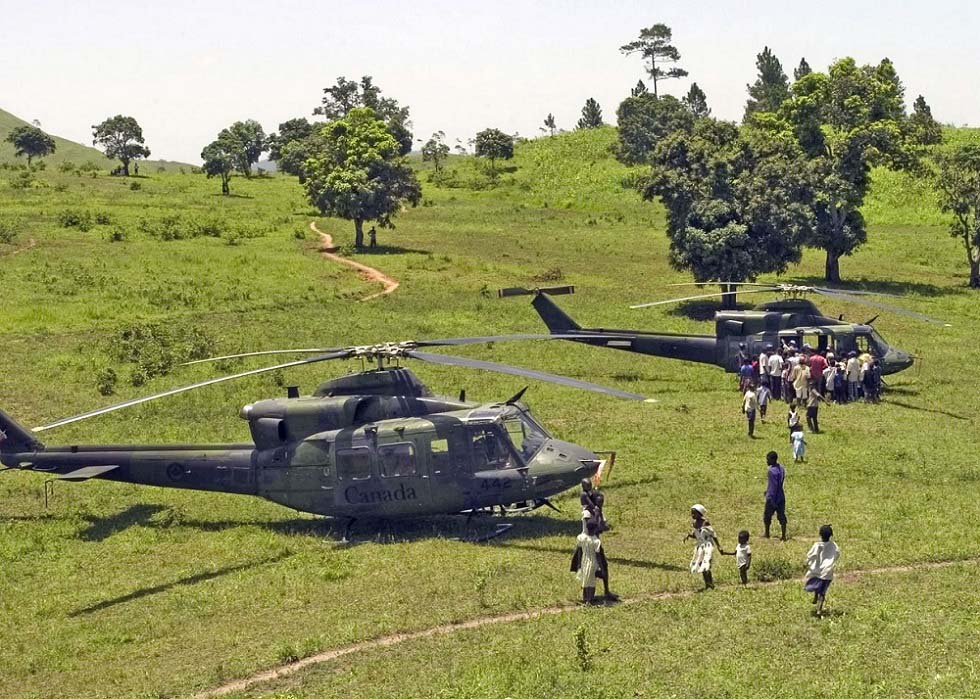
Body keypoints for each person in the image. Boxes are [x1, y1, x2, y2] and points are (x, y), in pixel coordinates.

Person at [804, 524, 840, 618]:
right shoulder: (833, 545)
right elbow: (837, 554)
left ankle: (816, 596)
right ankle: (819, 610)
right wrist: (831, 561)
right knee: (823, 592)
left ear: (820, 534)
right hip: (827, 571)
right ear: (831, 535)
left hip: (817, 570)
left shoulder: (817, 545)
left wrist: (807, 562)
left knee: (816, 584)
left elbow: (810, 555)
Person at [684, 504, 721, 589]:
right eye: (691, 513)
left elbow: (713, 535)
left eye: (694, 513)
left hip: (708, 546)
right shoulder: (694, 523)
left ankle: (710, 584)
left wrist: (719, 546)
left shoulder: (705, 523)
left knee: (706, 564)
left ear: (700, 513)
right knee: (701, 565)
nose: (692, 515)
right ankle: (707, 584)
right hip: (700, 547)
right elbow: (697, 535)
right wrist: (689, 535)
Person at [572, 517, 603, 604]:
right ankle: (590, 599)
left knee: (585, 580)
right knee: (592, 582)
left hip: (584, 561)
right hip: (593, 562)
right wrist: (600, 567)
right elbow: (598, 555)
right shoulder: (596, 541)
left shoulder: (581, 538)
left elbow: (579, 551)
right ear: (595, 529)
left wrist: (578, 564)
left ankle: (585, 598)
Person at [763, 451, 787, 540]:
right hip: (781, 496)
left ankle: (767, 534)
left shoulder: (771, 471)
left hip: (772, 497)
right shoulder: (781, 468)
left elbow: (773, 486)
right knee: (781, 516)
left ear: (773, 460)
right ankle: (783, 536)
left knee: (767, 515)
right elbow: (778, 484)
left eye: (768, 459)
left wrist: (769, 496)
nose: (767, 461)